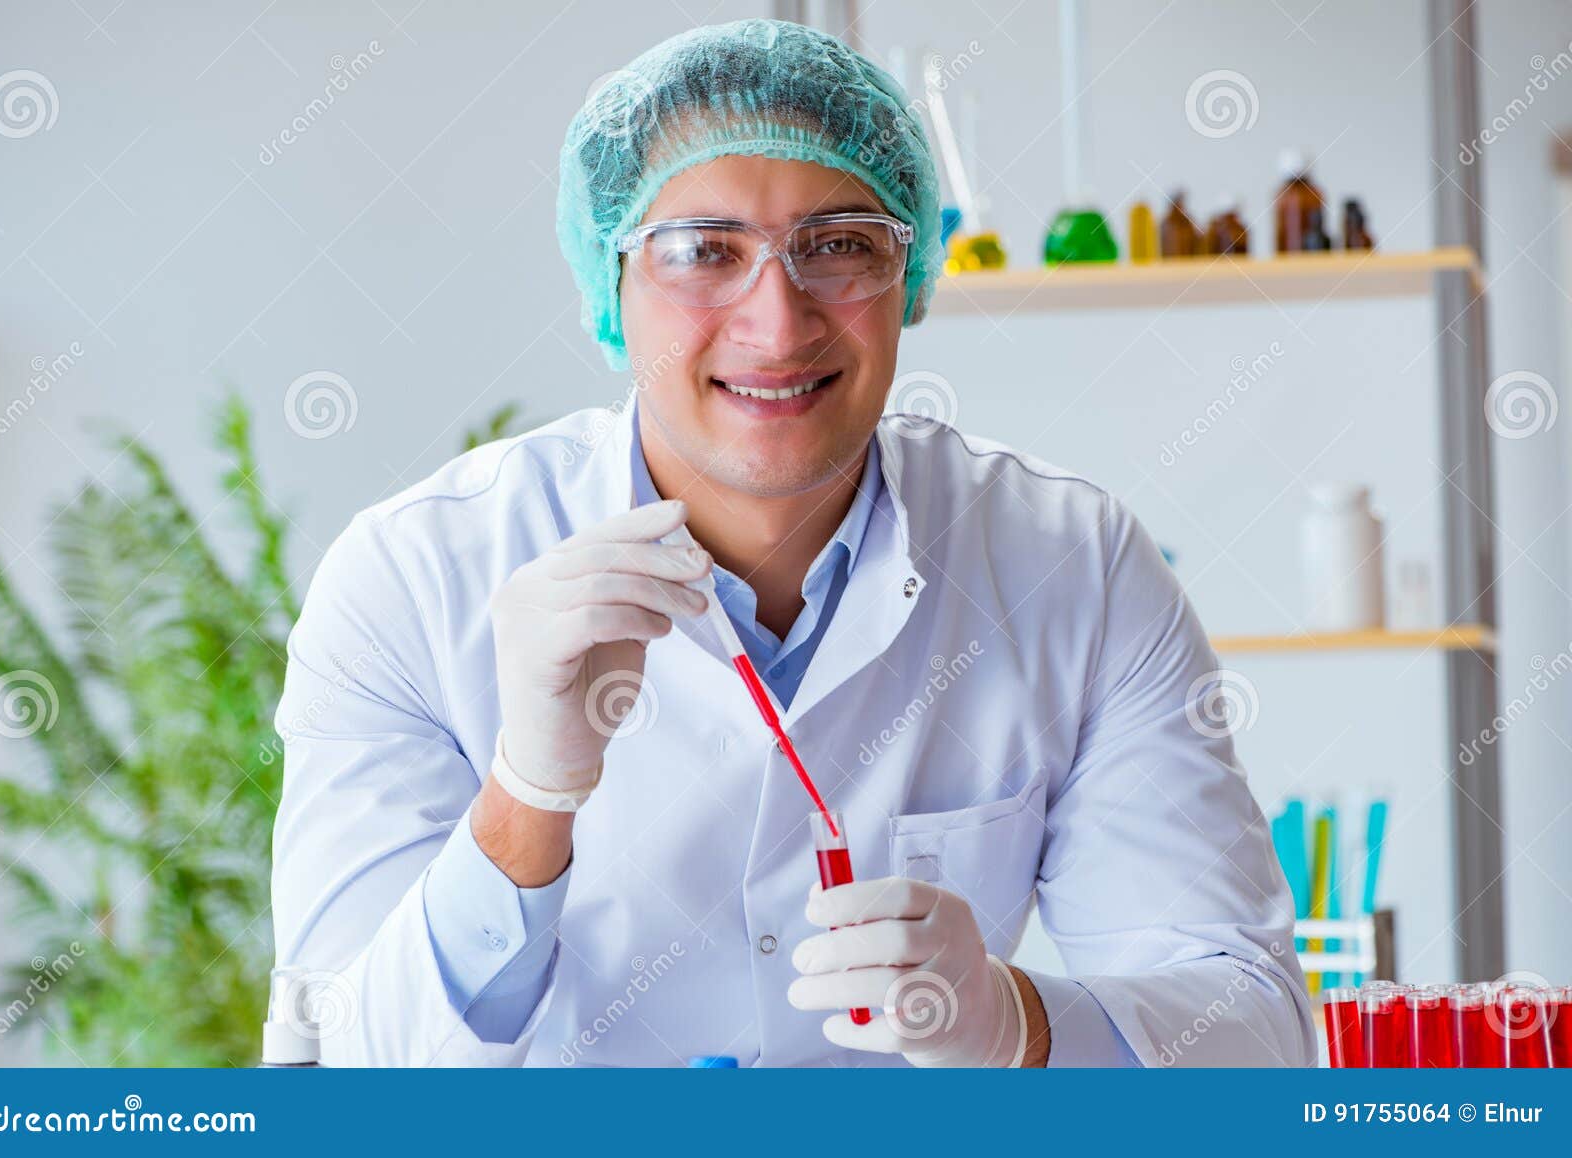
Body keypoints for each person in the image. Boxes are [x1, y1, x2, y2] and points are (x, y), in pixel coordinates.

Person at [271, 18, 1314, 1067]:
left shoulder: (1068, 565)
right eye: (701, 252)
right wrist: (525, 799)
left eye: (839, 246)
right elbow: (343, 1071)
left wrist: (1014, 1024)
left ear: (909, 273)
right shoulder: (407, 578)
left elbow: (1251, 1034)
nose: (777, 323)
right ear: (610, 283)